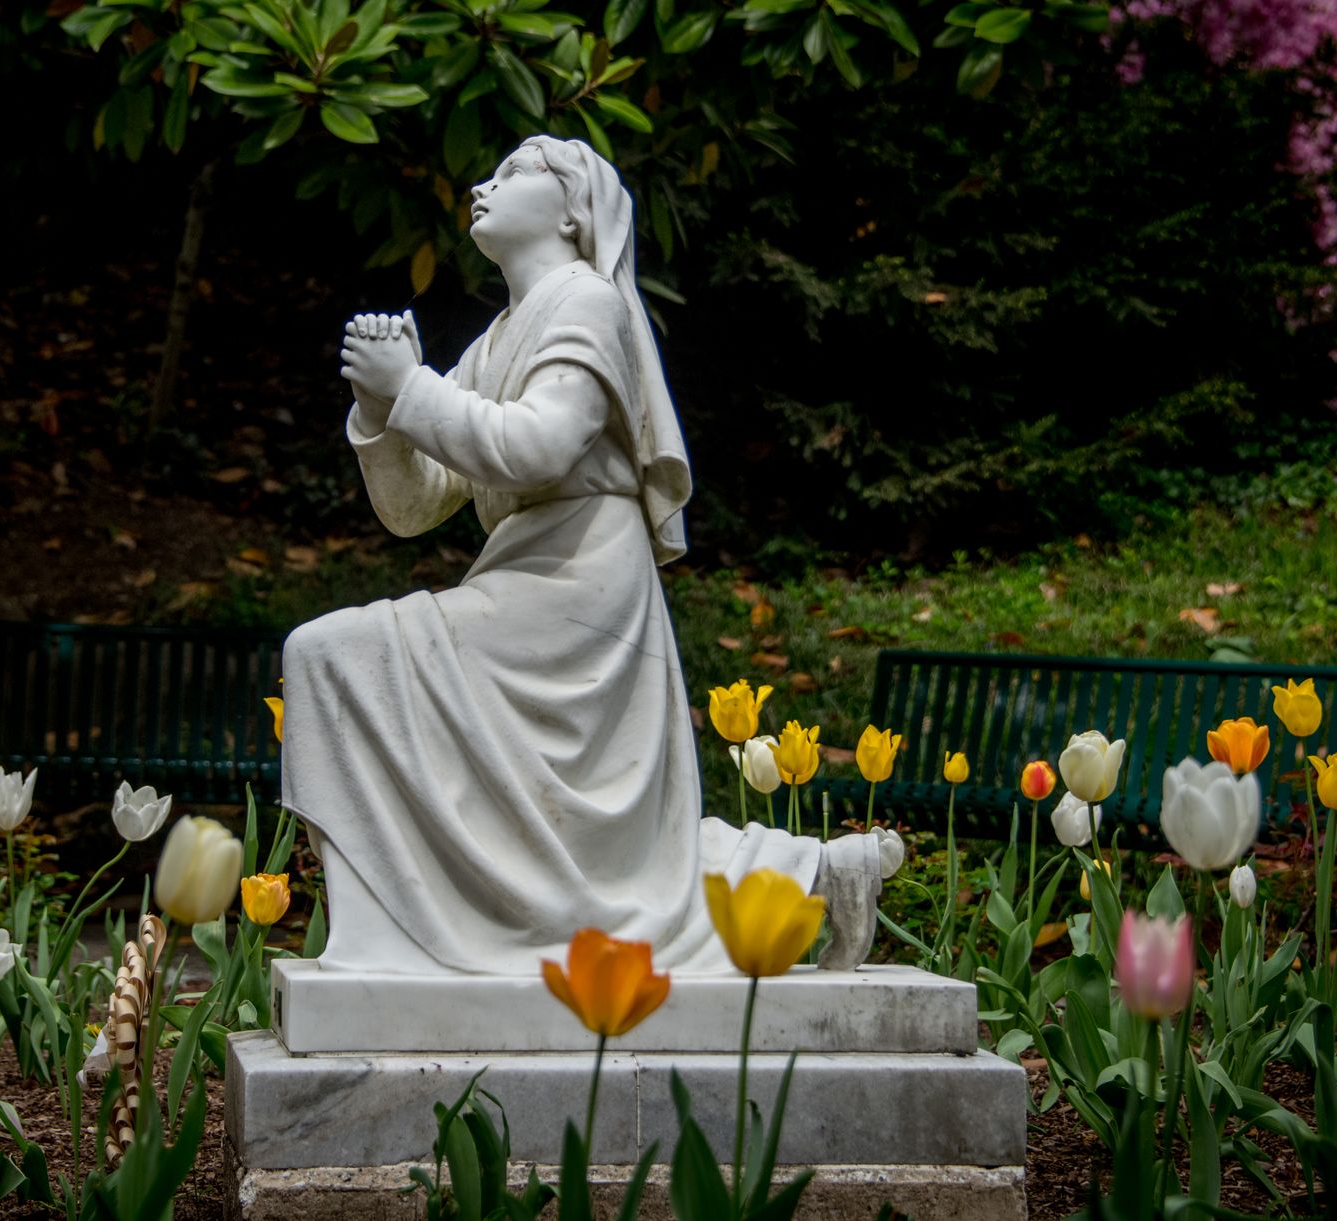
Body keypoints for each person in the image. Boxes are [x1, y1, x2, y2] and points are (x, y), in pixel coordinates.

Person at [279, 136, 893, 976]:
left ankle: (396, 941)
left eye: (514, 172)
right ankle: (816, 870)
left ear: (576, 211)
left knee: (328, 655)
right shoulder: (498, 337)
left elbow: (537, 448)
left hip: (579, 585)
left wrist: (413, 390)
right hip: (526, 574)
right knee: (606, 860)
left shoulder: (586, 303)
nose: (481, 185)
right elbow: (415, 505)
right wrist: (380, 406)